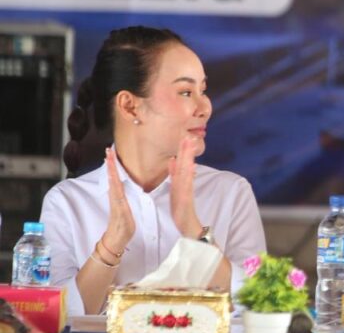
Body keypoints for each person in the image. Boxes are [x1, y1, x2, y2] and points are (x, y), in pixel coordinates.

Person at [41, 26, 266, 316]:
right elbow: (53, 319)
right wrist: (112, 244)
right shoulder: (67, 203)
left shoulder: (231, 193)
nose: (205, 107)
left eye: (203, 90)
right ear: (130, 106)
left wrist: (193, 229)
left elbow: (261, 308)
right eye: (186, 92)